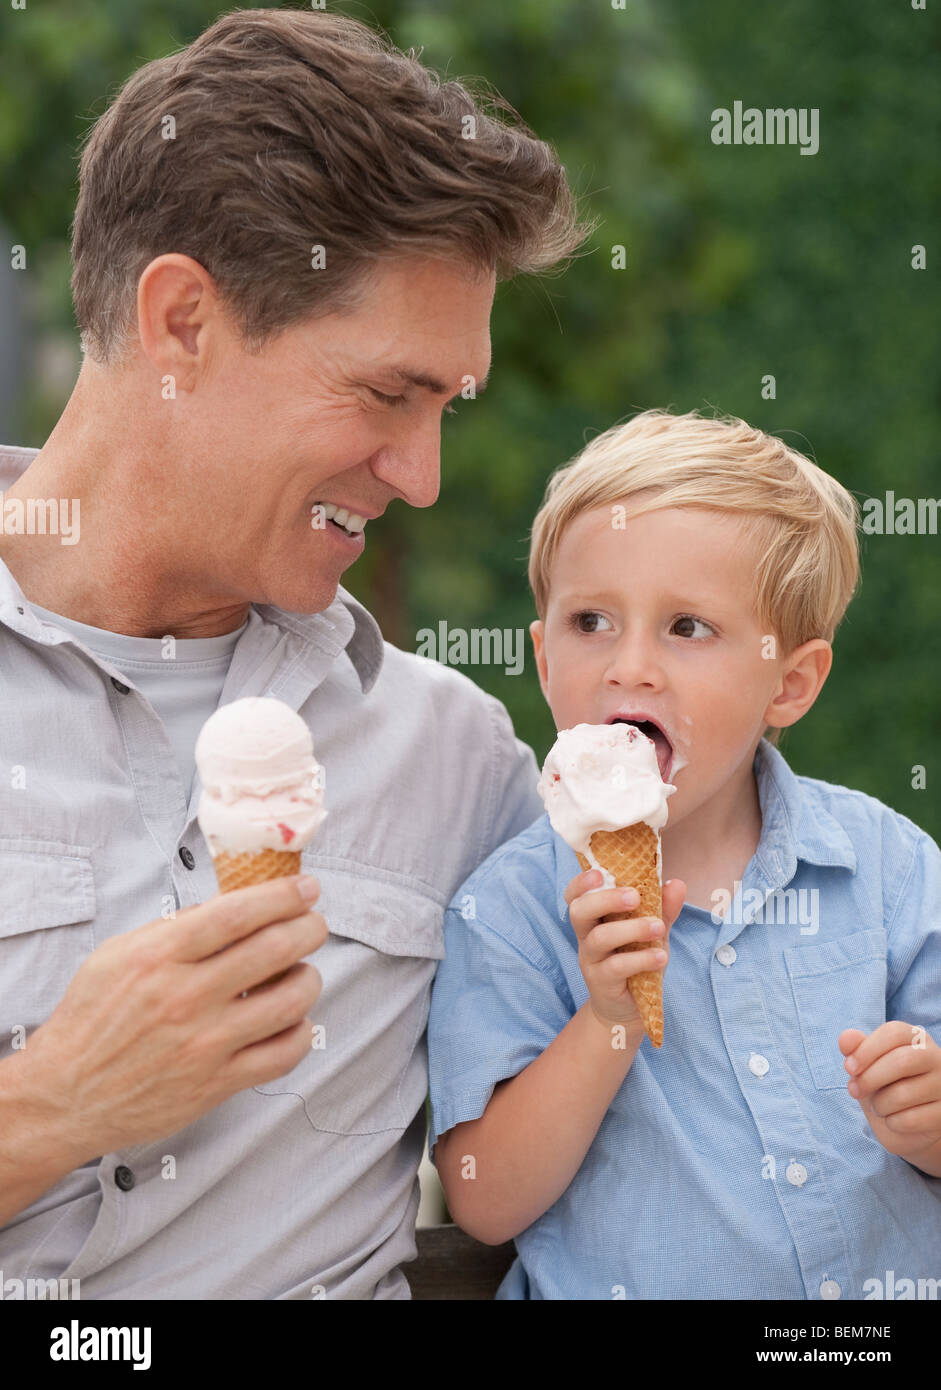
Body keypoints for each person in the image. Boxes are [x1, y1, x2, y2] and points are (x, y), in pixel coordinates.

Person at [0, 8, 594, 1299]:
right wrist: (46, 1105)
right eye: (387, 394)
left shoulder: (457, 763)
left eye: (448, 407)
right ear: (182, 325)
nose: (422, 477)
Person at [428, 407, 941, 1299]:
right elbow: (483, 1200)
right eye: (590, 621)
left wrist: (925, 1123)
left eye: (686, 629)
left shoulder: (887, 869)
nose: (629, 667)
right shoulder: (507, 907)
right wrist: (607, 1020)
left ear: (790, 683)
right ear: (543, 660)